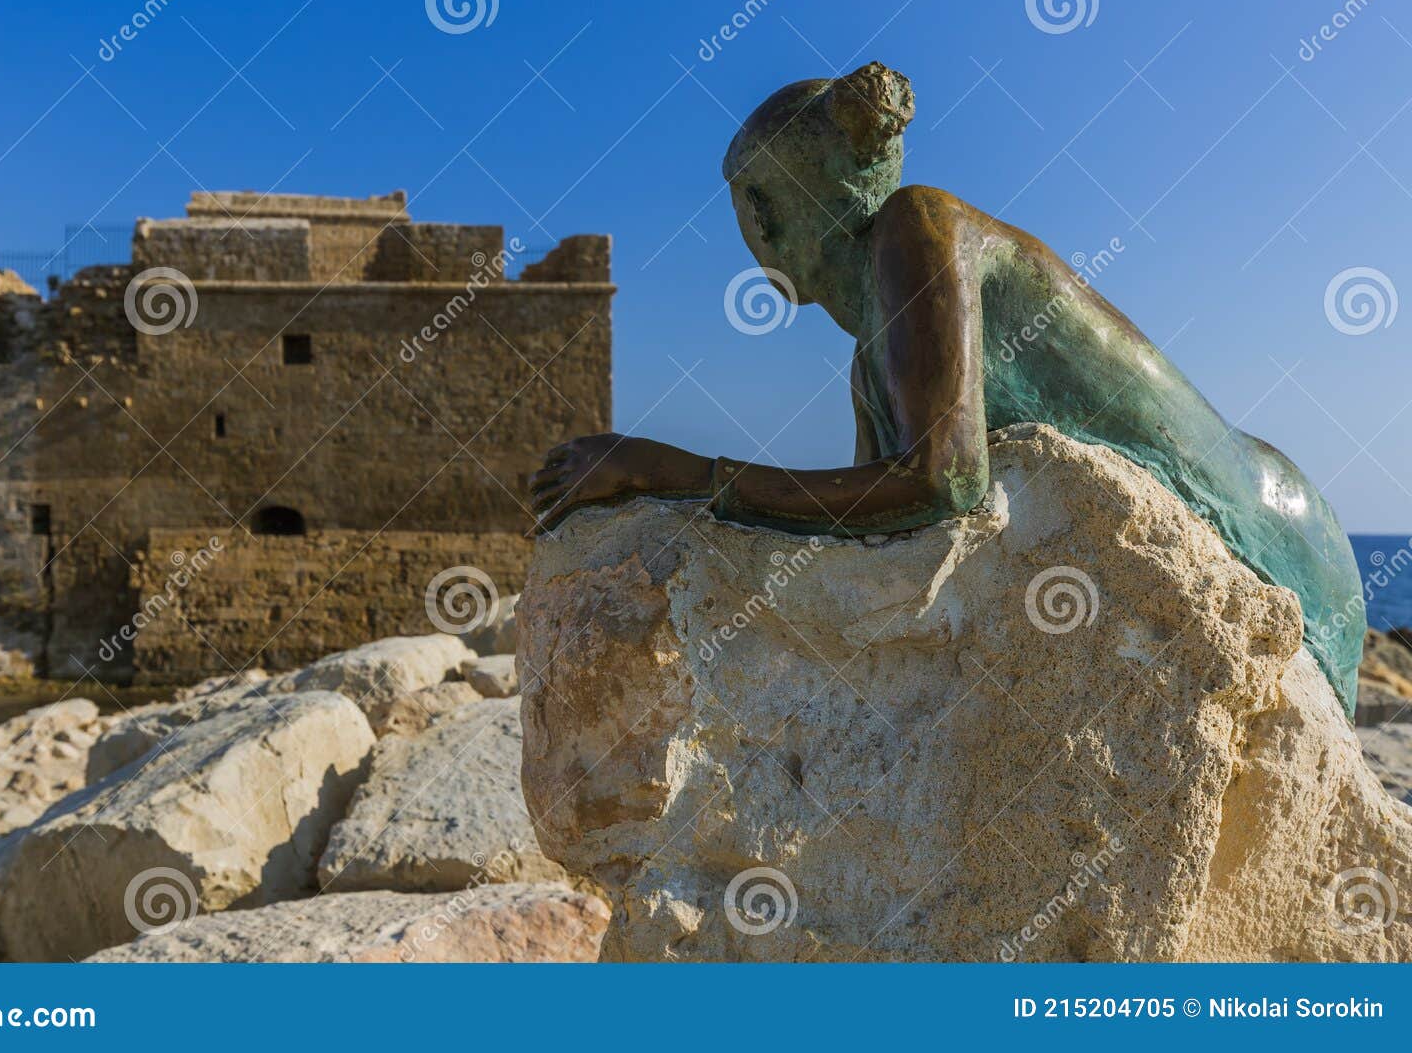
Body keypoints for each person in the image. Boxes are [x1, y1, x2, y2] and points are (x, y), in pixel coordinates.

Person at [529, 62, 1362, 714]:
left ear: (766, 213)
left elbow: (941, 483)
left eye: (744, 212)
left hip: (1278, 536)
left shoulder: (917, 225)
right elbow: (873, 528)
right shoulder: (869, 360)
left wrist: (666, 470)